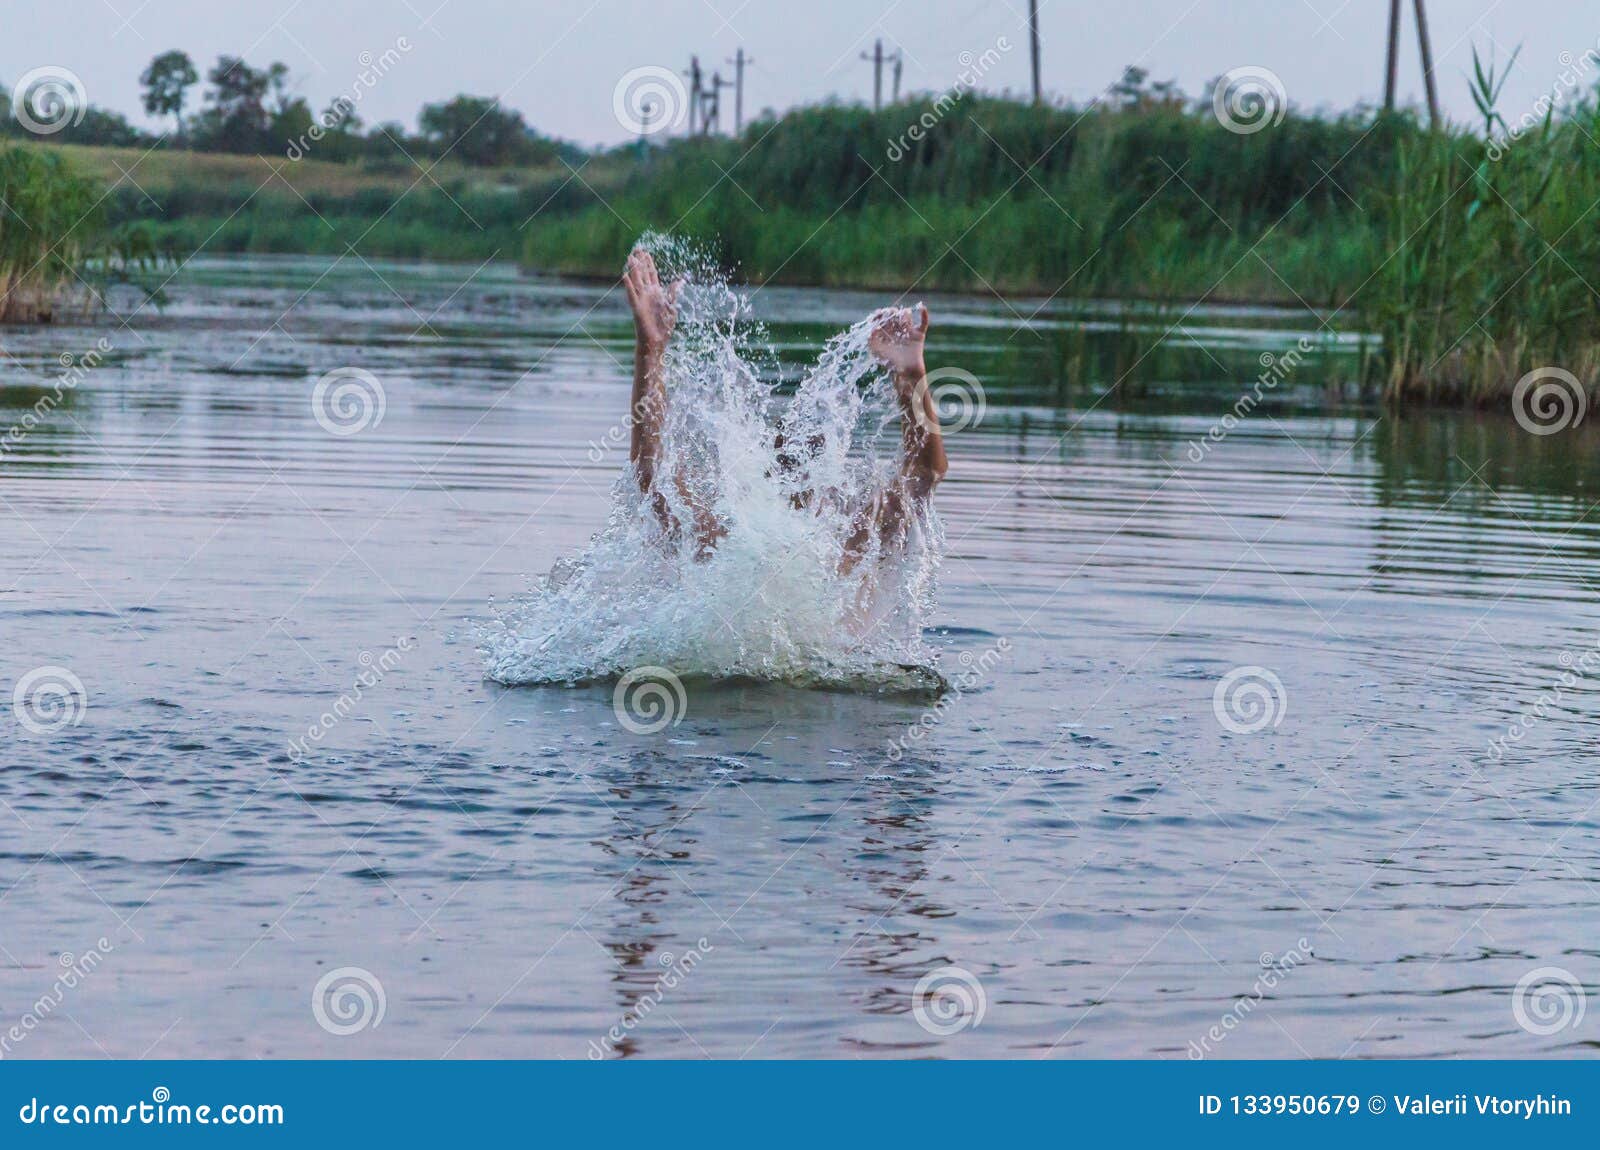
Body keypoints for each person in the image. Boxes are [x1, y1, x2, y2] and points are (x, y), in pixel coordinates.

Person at [620, 248, 947, 571]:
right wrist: (909, 377)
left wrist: (650, 352)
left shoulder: (849, 545)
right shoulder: (734, 544)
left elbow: (651, 475)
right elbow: (925, 473)